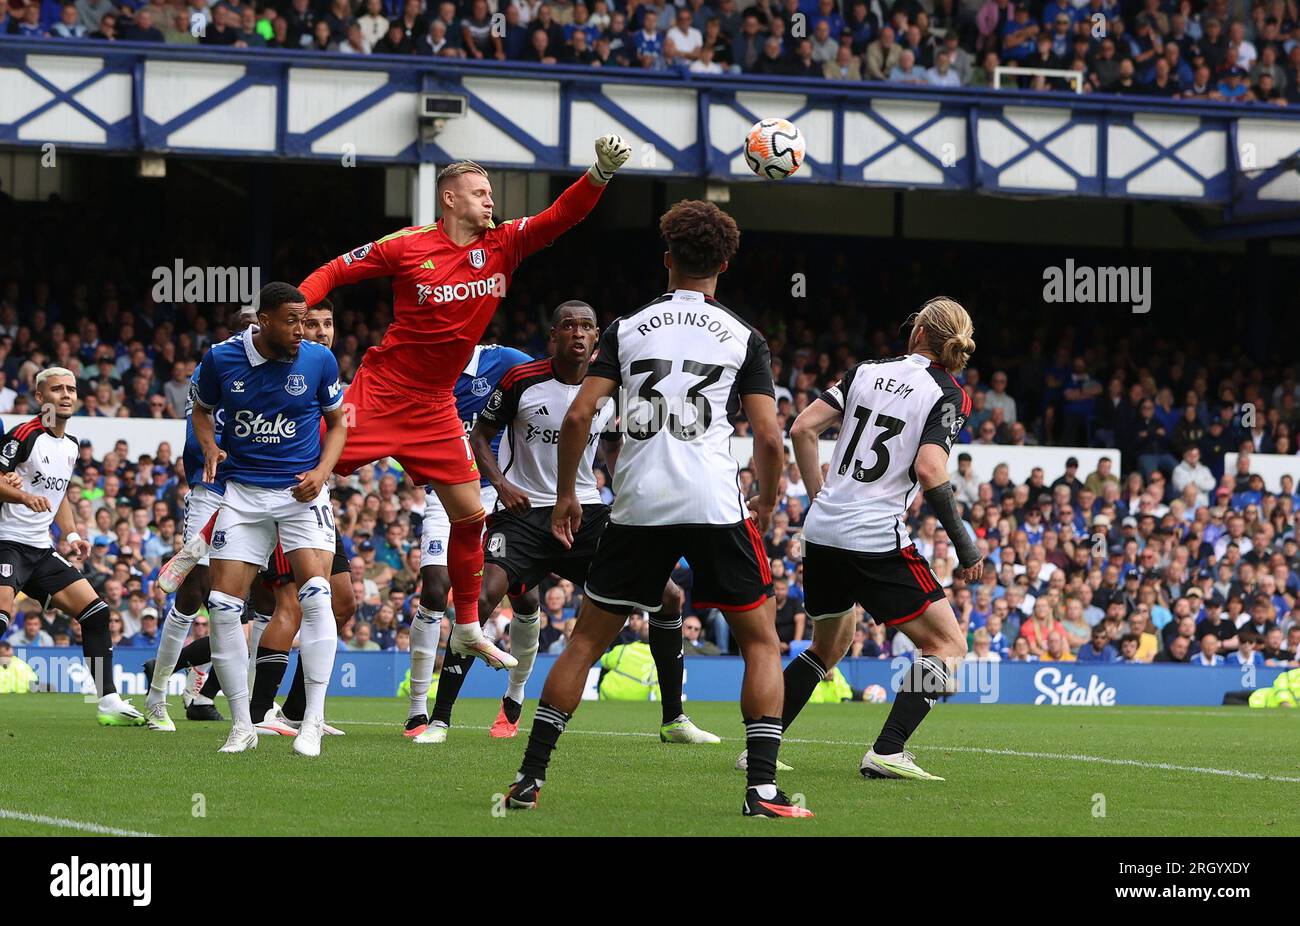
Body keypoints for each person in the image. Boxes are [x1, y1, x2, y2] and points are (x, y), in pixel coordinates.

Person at [505, 199, 811, 819]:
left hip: (639, 503)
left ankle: (529, 779)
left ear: (667, 260)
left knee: (586, 640)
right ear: (724, 263)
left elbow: (580, 415)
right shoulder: (743, 336)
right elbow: (771, 438)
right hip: (714, 502)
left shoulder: (627, 327)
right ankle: (762, 791)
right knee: (759, 640)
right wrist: (772, 495)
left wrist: (568, 495)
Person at [287, 137, 631, 673]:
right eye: (480, 193)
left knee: (471, 515)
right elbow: (334, 271)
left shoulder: (503, 245)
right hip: (381, 393)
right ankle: (228, 524)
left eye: (491, 193)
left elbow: (559, 217)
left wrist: (599, 174)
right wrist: (294, 308)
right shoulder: (407, 245)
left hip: (434, 408)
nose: (491, 202)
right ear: (449, 199)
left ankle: (467, 626)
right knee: (307, 466)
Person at [438, 301, 716, 743]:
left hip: (587, 513)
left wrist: (628, 484)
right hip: (524, 513)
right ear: (554, 336)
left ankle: (674, 720)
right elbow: (479, 436)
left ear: (598, 335)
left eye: (588, 326)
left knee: (668, 596)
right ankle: (439, 719)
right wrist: (502, 485)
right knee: (481, 598)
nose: (579, 334)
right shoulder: (521, 379)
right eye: (568, 326)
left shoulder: (611, 387)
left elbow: (611, 445)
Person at [770, 296, 977, 782]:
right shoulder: (948, 392)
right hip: (873, 534)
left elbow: (801, 428)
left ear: (917, 332)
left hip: (822, 531)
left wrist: (820, 496)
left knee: (829, 645)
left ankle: (761, 742)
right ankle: (888, 749)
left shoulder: (865, 370)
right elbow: (930, 469)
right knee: (947, 644)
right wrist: (965, 545)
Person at [189, 282, 348, 756]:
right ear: (263, 319)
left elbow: (339, 424)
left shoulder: (319, 361)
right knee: (220, 605)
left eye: (307, 320)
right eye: (293, 321)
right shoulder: (221, 358)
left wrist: (322, 471)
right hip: (241, 494)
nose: (304, 331)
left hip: (300, 494)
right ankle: (242, 725)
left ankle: (312, 719)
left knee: (317, 594)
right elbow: (201, 408)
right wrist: (210, 446)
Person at [402, 338, 531, 740]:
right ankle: (419, 709)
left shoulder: (505, 360)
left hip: (503, 492)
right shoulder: (421, 368)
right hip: (447, 489)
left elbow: (550, 383)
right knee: (436, 589)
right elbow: (403, 426)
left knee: (525, 597)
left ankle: (515, 696)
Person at [0, 368, 144, 726]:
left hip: (39, 549)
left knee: (96, 612)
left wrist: (72, 534)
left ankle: (108, 700)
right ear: (39, 397)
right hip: (6, 543)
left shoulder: (71, 445)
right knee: (2, 614)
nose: (65, 395)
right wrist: (21, 495)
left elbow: (59, 494)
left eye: (71, 389)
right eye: (57, 389)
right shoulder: (23, 436)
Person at [244, 300, 357, 739]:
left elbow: (341, 431)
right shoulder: (272, 371)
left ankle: (295, 710)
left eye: (329, 323)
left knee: (342, 602)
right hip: (280, 497)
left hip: (318, 499)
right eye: (312, 323)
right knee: (293, 603)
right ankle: (257, 712)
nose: (322, 331)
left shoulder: (325, 373)